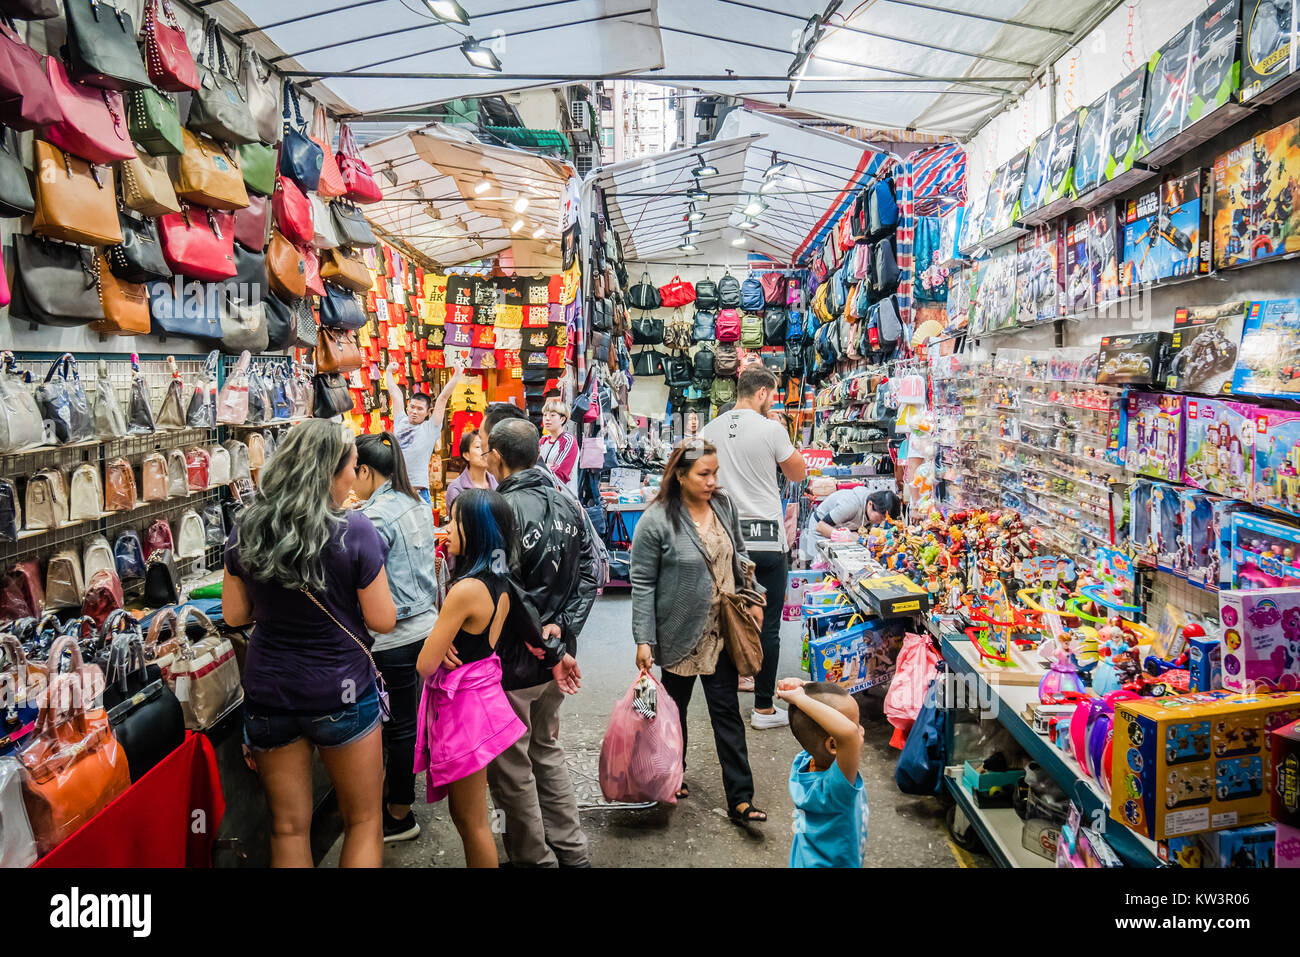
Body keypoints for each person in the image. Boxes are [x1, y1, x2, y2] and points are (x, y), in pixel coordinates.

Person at [222, 420, 396, 868]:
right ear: (328, 472)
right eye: (353, 467)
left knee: (287, 826)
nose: (356, 477)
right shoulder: (355, 530)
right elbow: (382, 619)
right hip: (340, 690)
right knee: (362, 821)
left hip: (269, 692)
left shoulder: (248, 526)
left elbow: (235, 616)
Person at [631, 438, 768, 824]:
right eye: (703, 474)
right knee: (672, 713)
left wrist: (754, 596)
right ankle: (673, 775)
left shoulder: (722, 506)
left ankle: (741, 799)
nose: (712, 481)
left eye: (715, 473)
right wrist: (644, 639)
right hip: (677, 633)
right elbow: (642, 582)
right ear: (680, 475)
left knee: (727, 713)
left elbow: (739, 554)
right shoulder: (657, 519)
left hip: (721, 631)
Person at [481, 417, 598, 867]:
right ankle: (572, 851)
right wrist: (563, 633)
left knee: (513, 768)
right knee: (545, 751)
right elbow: (592, 573)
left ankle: (535, 859)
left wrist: (549, 641)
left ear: (496, 456)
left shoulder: (497, 509)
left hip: (517, 660)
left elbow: (507, 588)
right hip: (556, 657)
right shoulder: (567, 503)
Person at [413, 489, 528, 868]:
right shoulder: (501, 583)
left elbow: (425, 665)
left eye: (454, 521)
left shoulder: (465, 591)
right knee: (470, 817)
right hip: (481, 701)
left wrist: (437, 638)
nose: (447, 527)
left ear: (476, 531)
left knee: (472, 820)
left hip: (462, 710)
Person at [700, 365, 808, 729]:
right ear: (761, 393)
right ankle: (763, 708)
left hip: (724, 538)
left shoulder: (710, 429)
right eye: (772, 395)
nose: (772, 401)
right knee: (769, 624)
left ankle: (730, 696)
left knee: (727, 616)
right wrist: (782, 439)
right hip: (764, 539)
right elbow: (798, 473)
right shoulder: (772, 429)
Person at [352, 432, 441, 844]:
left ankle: (399, 813)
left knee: (398, 728)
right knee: (408, 722)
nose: (351, 481)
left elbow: (362, 579)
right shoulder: (416, 504)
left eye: (354, 472)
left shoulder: (374, 518)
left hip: (393, 637)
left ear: (367, 471)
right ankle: (396, 799)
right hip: (424, 628)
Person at [777, 678, 868, 868]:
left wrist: (803, 688)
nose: (862, 730)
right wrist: (800, 699)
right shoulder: (836, 789)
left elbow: (824, 716)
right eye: (857, 724)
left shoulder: (803, 761)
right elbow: (849, 734)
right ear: (834, 745)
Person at [385, 361, 462, 504]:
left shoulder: (430, 428)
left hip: (418, 494)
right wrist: (389, 372)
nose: (414, 411)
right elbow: (395, 394)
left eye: (419, 409)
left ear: (427, 413)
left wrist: (457, 375)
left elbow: (443, 398)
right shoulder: (400, 420)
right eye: (412, 407)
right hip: (395, 492)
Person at [801, 488, 902, 562]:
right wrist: (842, 536)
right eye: (881, 517)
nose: (881, 521)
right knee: (821, 565)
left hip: (842, 528)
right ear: (870, 504)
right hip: (820, 529)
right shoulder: (850, 505)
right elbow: (820, 526)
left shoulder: (872, 507)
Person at [444, 431, 497, 512]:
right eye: (478, 447)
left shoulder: (497, 482)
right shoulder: (457, 488)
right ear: (466, 455)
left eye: (486, 446)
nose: (485, 451)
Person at [539, 398, 579, 497]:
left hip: (564, 498)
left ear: (562, 419)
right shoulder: (543, 440)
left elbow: (559, 473)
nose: (547, 418)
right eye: (545, 415)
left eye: (552, 415)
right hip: (545, 495)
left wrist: (542, 468)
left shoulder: (568, 440)